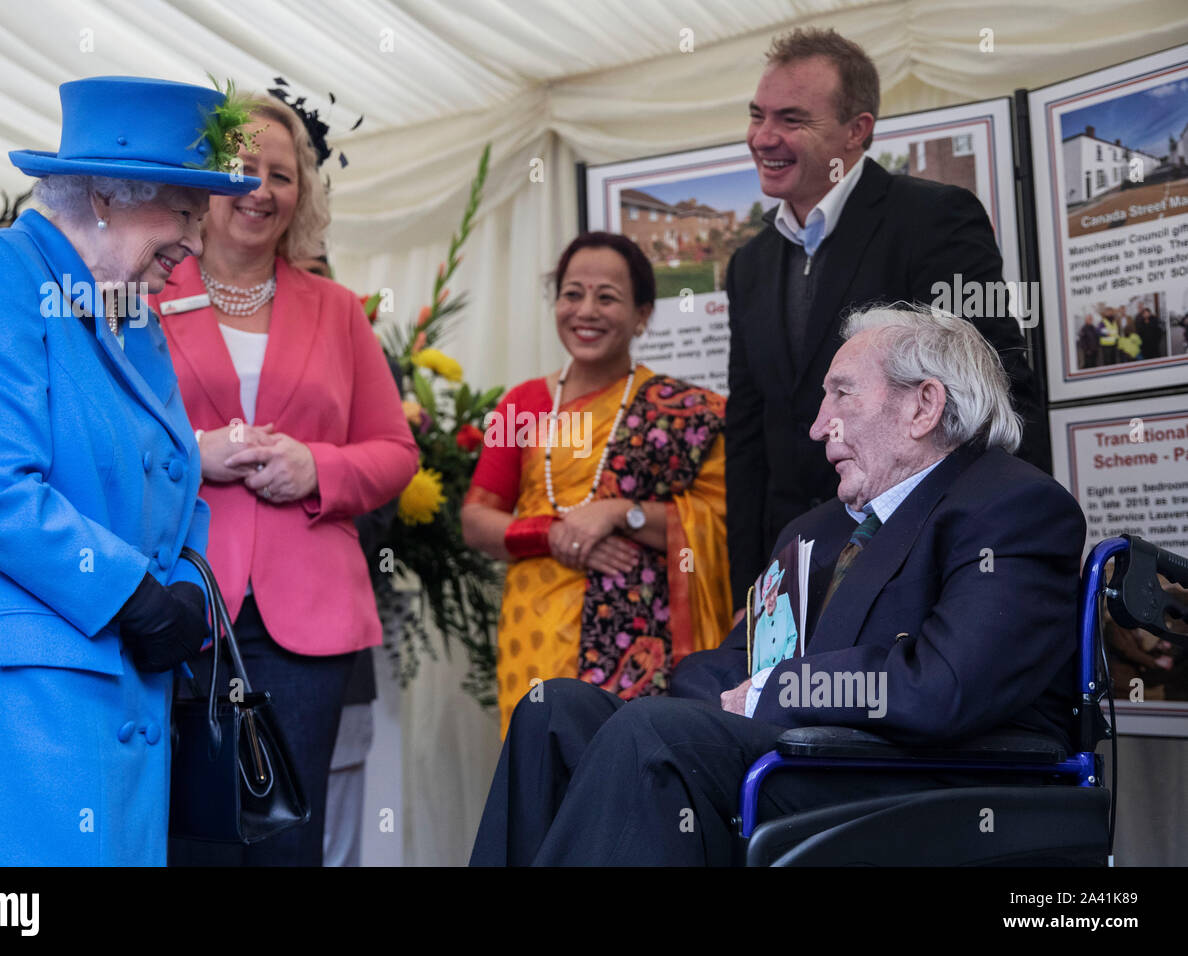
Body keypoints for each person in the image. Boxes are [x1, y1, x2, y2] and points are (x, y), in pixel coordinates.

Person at [470, 303, 1085, 866]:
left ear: (923, 407)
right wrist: (746, 693)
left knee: (652, 732)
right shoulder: (814, 528)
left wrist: (777, 689)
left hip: (917, 778)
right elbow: (726, 664)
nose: (820, 427)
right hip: (804, 755)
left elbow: (946, 684)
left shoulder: (1011, 507)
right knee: (555, 711)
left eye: (842, 395)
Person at [0, 75, 260, 865]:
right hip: (18, 726)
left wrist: (191, 596)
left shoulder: (133, 315)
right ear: (103, 195)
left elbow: (176, 478)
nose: (196, 244)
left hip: (126, 712)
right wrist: (131, 592)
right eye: (185, 213)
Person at [156, 94, 418, 866]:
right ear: (200, 183)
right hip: (180, 602)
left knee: (287, 842)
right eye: (240, 170)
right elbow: (102, 439)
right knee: (186, 838)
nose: (260, 190)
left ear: (302, 193)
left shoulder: (337, 310)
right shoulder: (141, 297)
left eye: (281, 175)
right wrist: (191, 452)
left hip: (309, 619)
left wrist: (318, 466)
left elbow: (396, 451)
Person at [725, 27, 1048, 607]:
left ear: (858, 130)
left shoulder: (935, 219)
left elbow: (1000, 386)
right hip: (793, 580)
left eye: (792, 119)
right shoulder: (748, 264)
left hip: (919, 564)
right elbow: (748, 433)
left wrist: (1001, 557)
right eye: (757, 115)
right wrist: (749, 587)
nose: (763, 137)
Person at [461, 232, 731, 734]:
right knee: (542, 777)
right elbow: (476, 521)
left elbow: (720, 521)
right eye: (571, 293)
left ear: (642, 315)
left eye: (607, 297)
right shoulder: (521, 404)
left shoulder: (686, 412)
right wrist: (558, 535)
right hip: (536, 629)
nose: (586, 310)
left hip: (643, 638)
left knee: (631, 777)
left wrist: (620, 513)